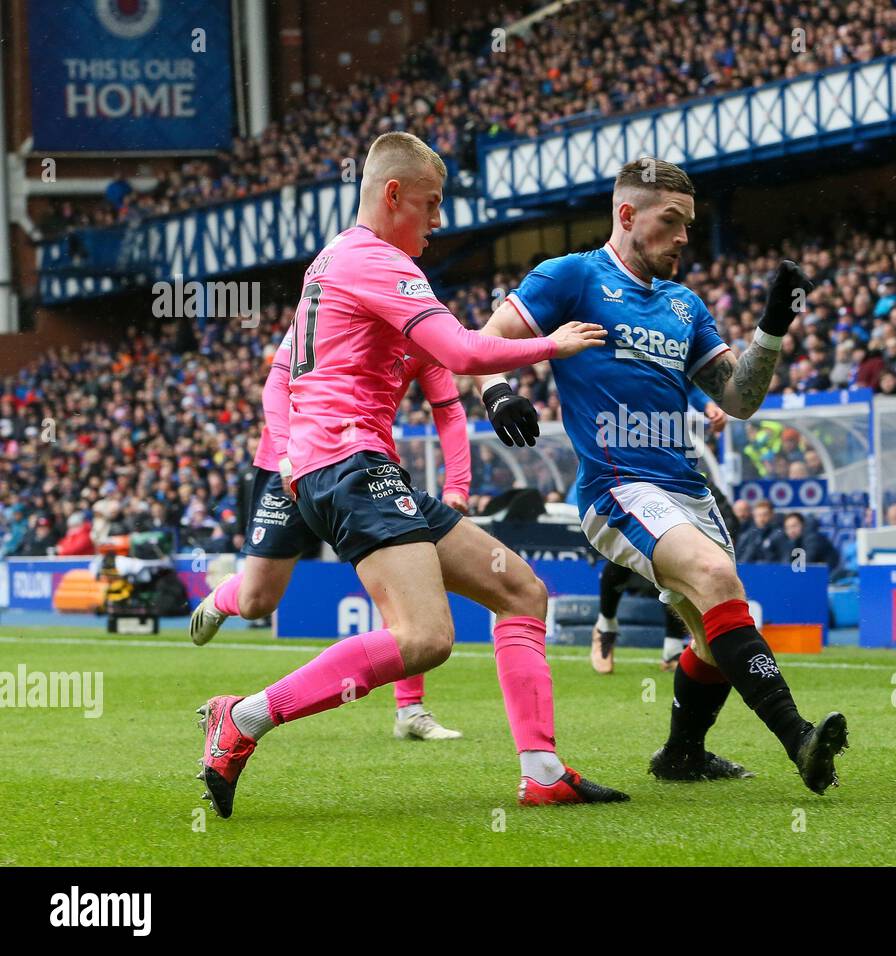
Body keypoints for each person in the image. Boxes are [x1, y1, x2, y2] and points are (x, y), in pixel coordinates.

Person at [195, 132, 623, 819]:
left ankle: (542, 771)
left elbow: (419, 369)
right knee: (425, 639)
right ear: (393, 196)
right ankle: (241, 719)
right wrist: (554, 342)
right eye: (431, 204)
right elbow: (459, 347)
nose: (438, 219)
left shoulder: (334, 260)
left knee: (520, 590)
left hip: (353, 464)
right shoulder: (375, 259)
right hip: (348, 465)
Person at [473, 157, 847, 793]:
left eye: (688, 224)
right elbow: (487, 343)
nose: (683, 237)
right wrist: (499, 393)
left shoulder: (685, 304)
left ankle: (681, 755)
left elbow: (736, 397)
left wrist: (773, 330)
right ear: (627, 215)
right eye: (671, 222)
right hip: (617, 487)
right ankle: (800, 739)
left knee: (712, 630)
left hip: (686, 488)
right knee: (717, 577)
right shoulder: (571, 276)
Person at [189, 339, 469, 742]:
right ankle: (225, 597)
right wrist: (286, 453)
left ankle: (410, 709)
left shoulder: (419, 326)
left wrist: (457, 483)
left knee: (403, 587)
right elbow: (276, 384)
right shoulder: (332, 306)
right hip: (288, 462)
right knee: (258, 601)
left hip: (361, 464)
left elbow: (448, 409)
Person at [770, 511, 840, 572]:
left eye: (794, 526)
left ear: (803, 525)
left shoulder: (813, 538)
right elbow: (786, 563)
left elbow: (806, 563)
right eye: (788, 528)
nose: (791, 531)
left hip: (829, 578)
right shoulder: (793, 541)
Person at [736, 498, 782, 563]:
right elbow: (739, 559)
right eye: (758, 515)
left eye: (765, 515)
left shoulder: (779, 535)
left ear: (772, 515)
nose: (761, 518)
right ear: (754, 516)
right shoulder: (747, 535)